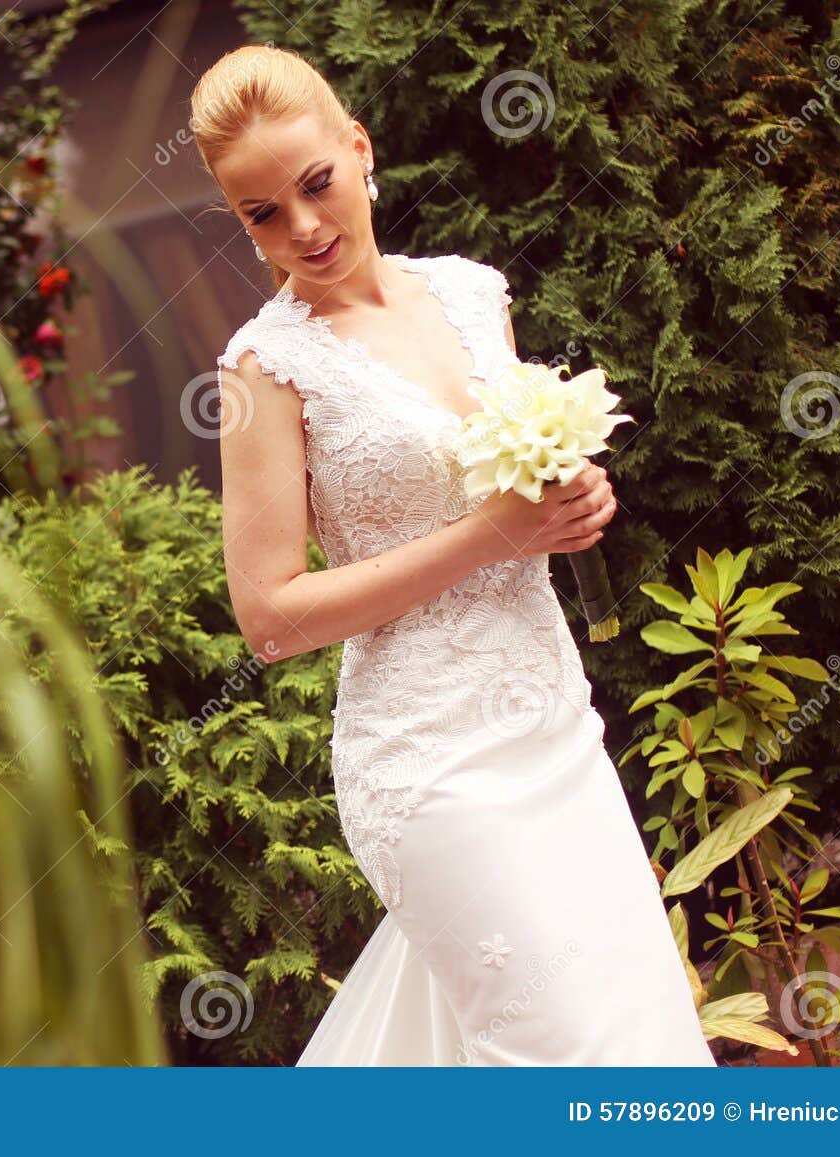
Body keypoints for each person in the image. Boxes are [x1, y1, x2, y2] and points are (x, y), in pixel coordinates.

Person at [190, 44, 715, 1065]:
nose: (300, 227)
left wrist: (569, 498)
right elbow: (267, 617)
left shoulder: (474, 295)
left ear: (357, 147)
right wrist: (492, 535)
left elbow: (512, 484)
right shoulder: (264, 368)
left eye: (314, 184)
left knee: (638, 1032)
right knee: (561, 1052)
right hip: (431, 764)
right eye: (260, 213)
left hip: (551, 717)